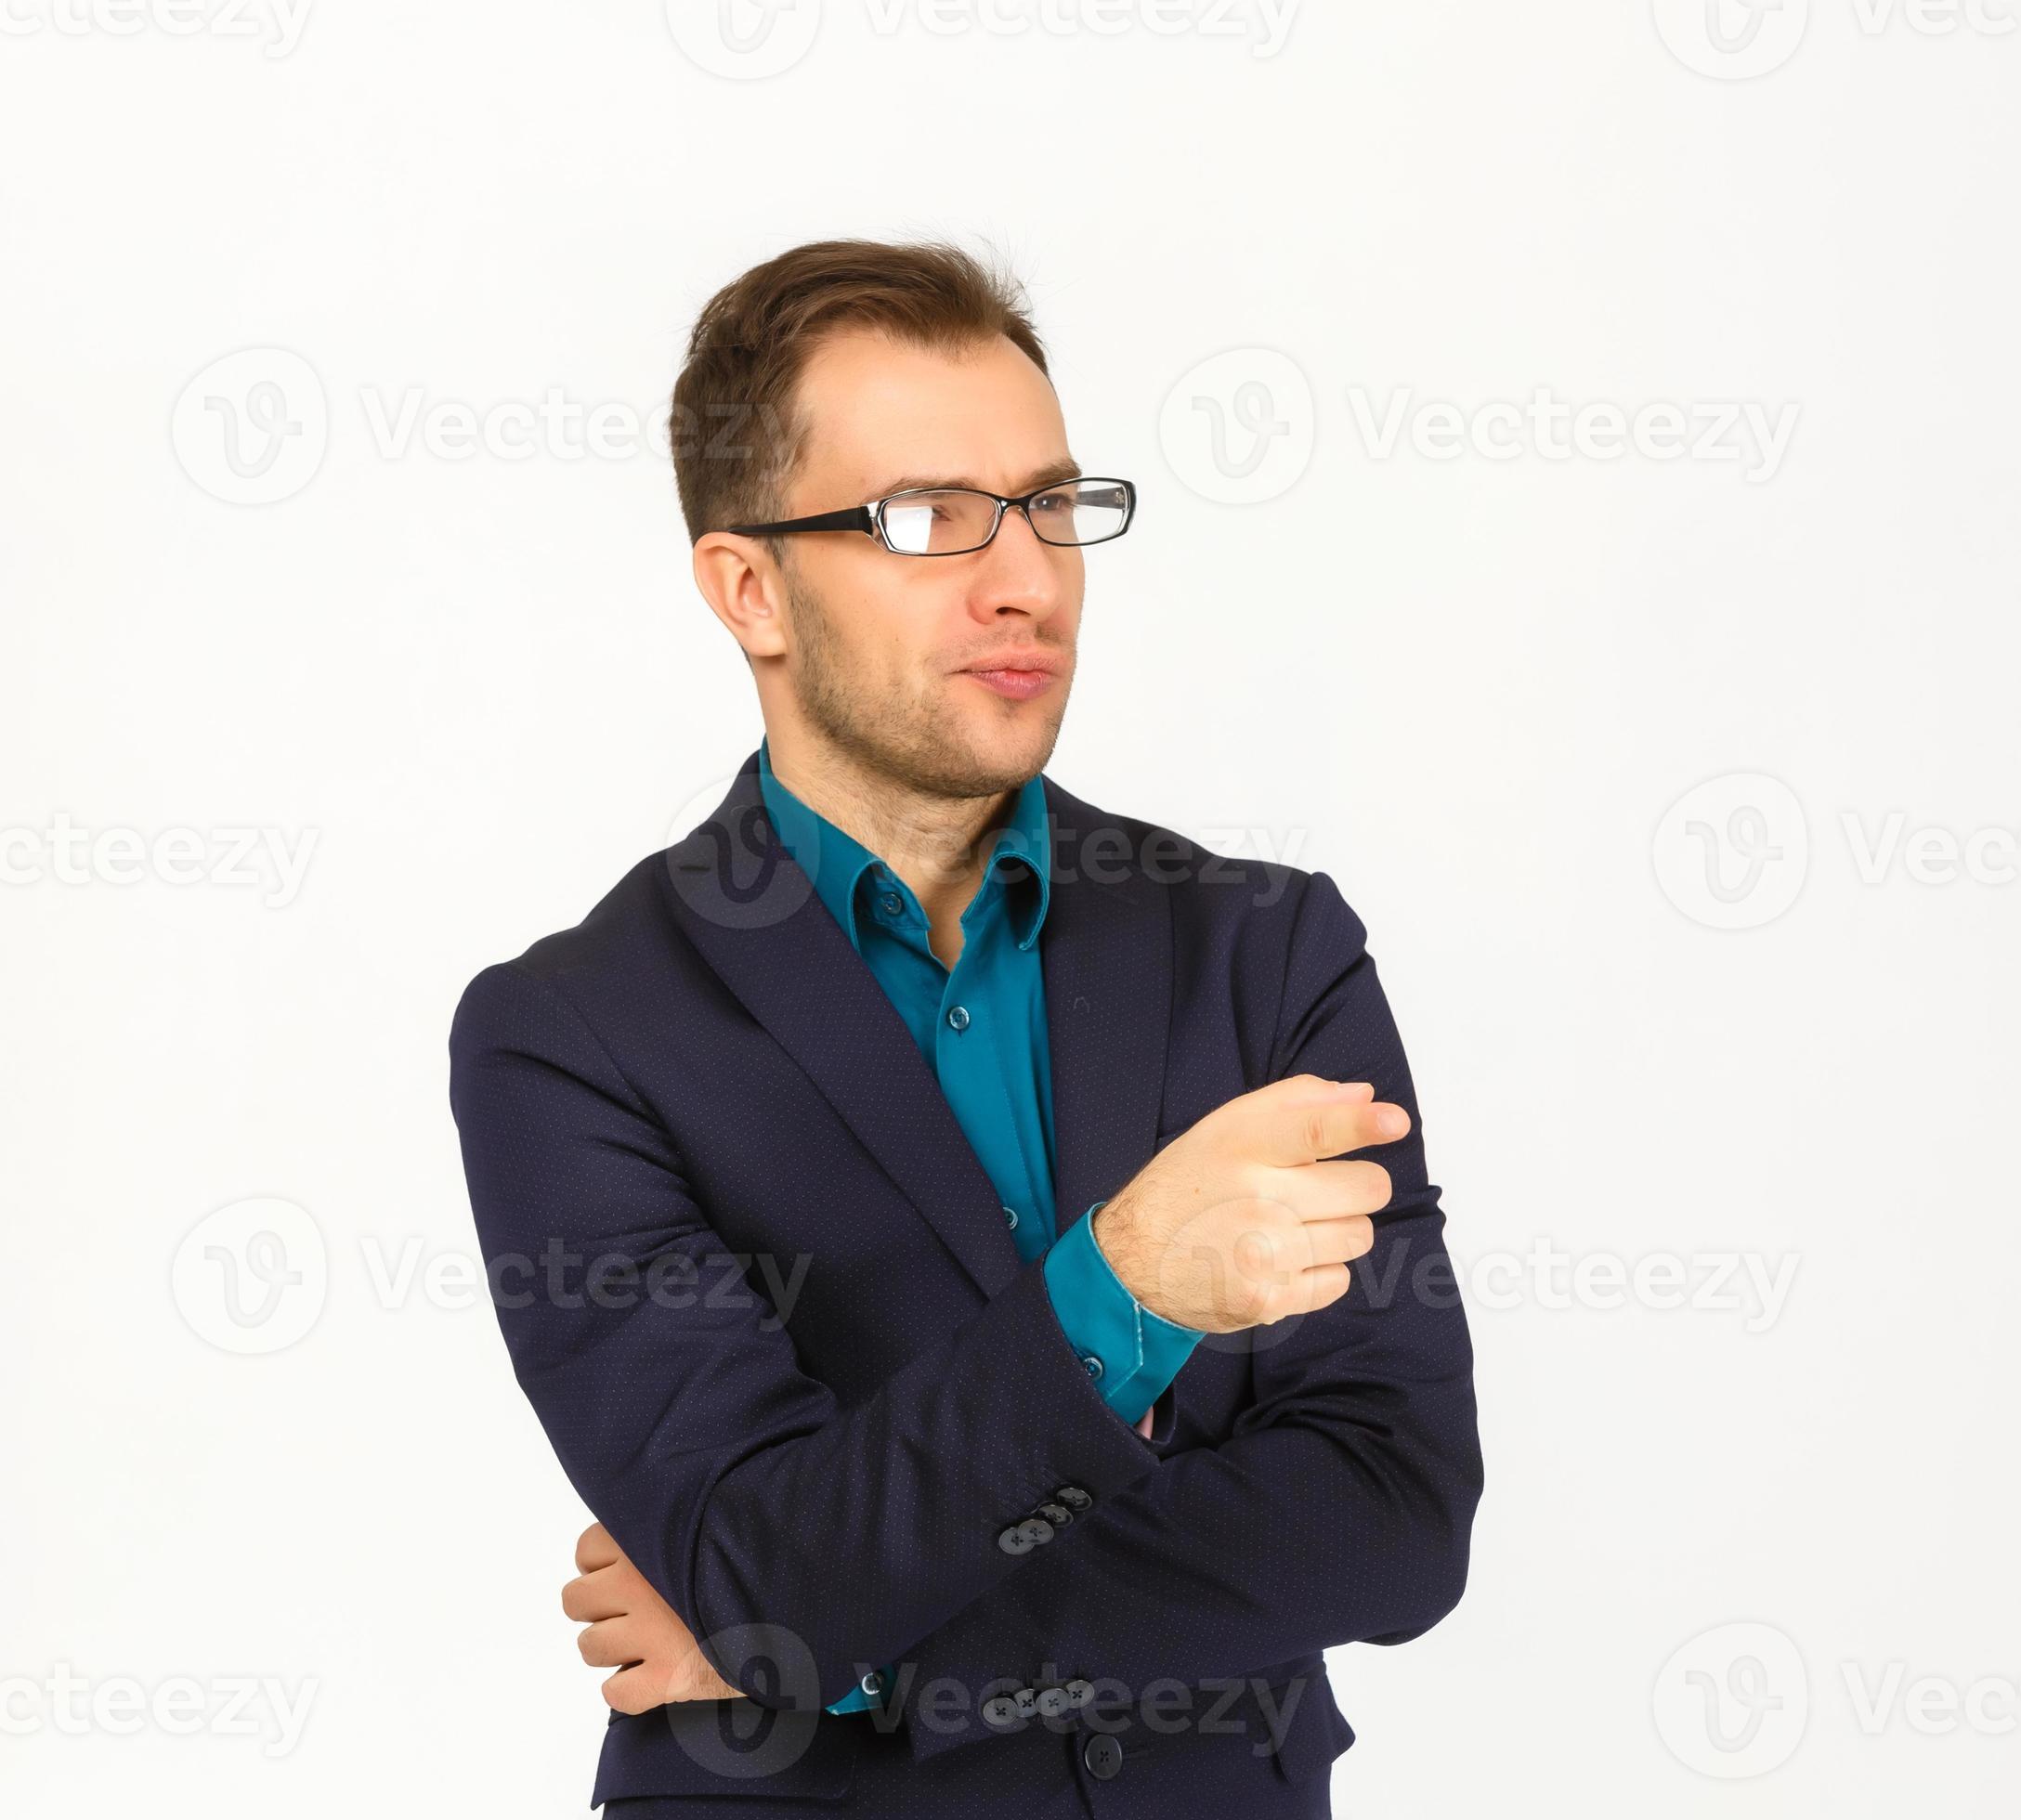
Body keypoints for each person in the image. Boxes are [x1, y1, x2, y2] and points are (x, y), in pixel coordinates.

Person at [447, 240, 1483, 1815]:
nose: (1030, 580)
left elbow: (1393, 1518)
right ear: (750, 589)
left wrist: (843, 1644)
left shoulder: (1268, 955)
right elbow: (758, 1555)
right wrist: (1122, 1285)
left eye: (1054, 506)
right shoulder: (571, 1037)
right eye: (928, 521)